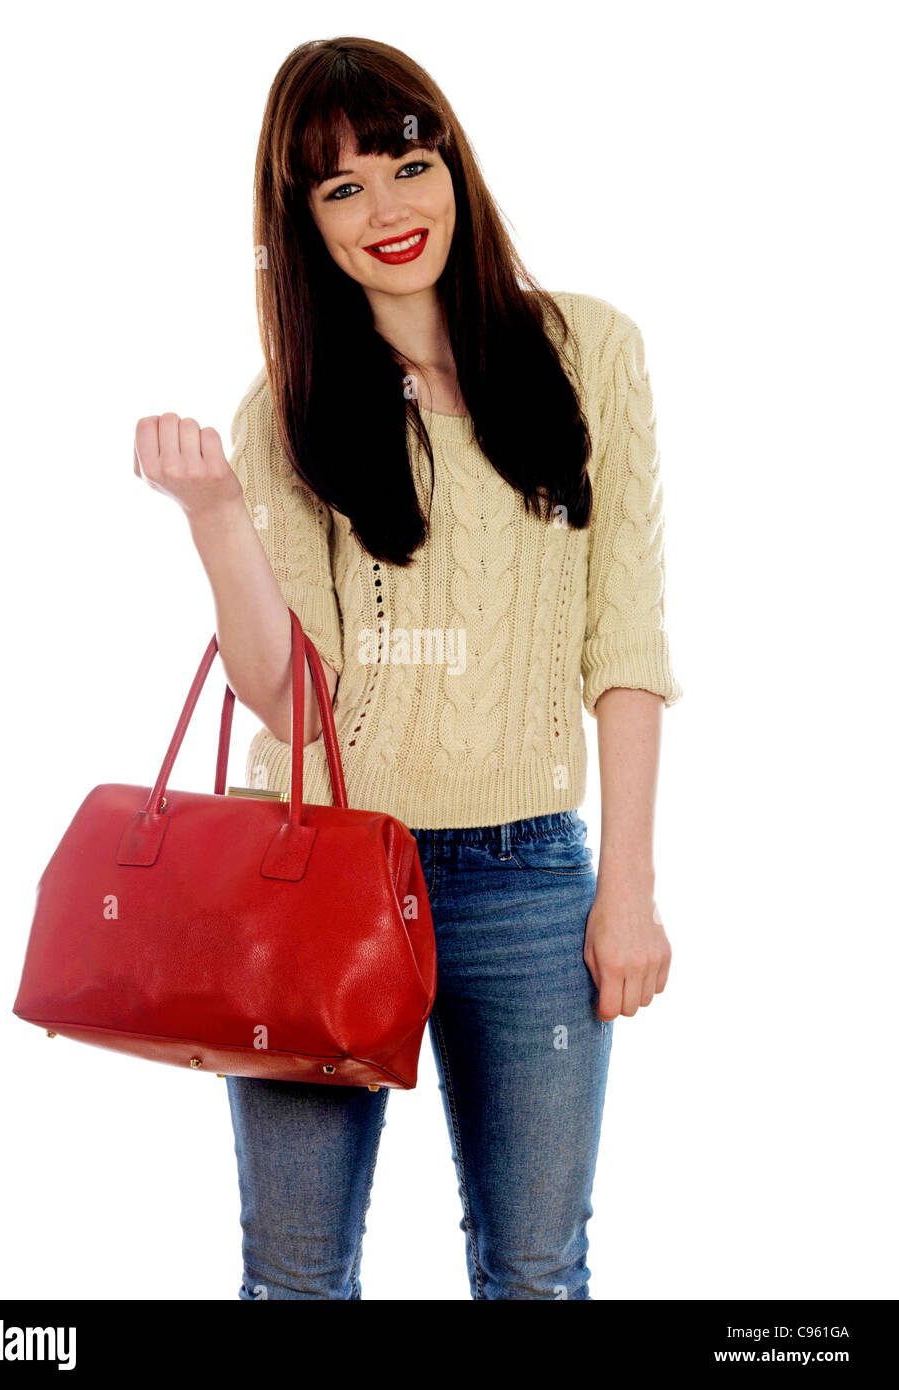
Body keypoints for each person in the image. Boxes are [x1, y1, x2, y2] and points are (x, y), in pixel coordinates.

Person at [133, 35, 683, 1301]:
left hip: (530, 882)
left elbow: (629, 642)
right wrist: (214, 515)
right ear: (304, 223)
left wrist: (629, 888)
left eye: (405, 161)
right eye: (340, 188)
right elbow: (291, 700)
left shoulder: (590, 351)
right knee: (294, 1277)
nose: (386, 208)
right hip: (316, 875)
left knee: (538, 1271)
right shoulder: (281, 412)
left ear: (452, 167)